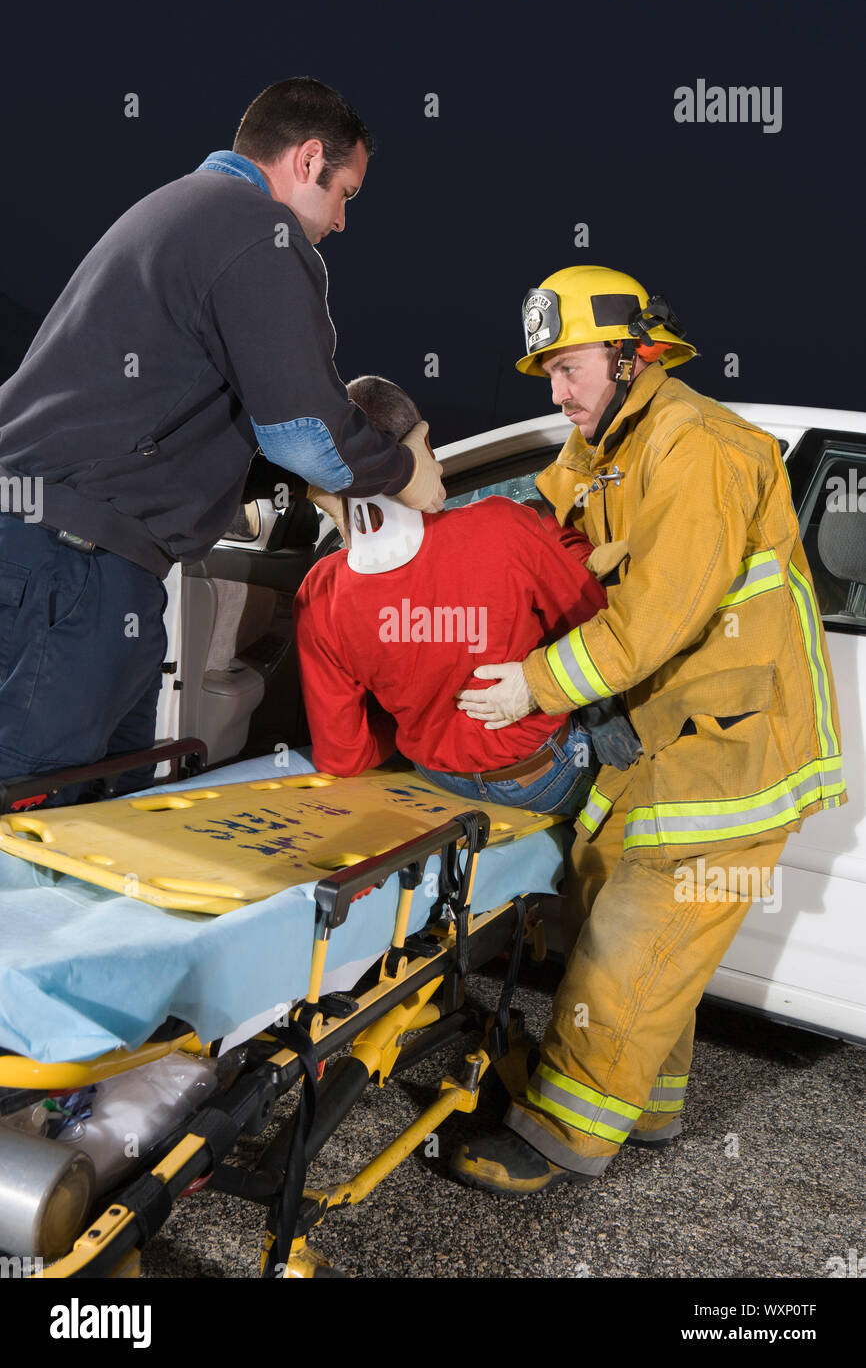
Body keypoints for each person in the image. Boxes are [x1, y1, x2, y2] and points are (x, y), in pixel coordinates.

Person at [451, 265, 846, 1192]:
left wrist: (534, 686)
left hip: (730, 760)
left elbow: (657, 616)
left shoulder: (698, 446)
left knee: (633, 943)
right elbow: (530, 528)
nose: (557, 391)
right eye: (545, 372)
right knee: (612, 921)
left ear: (633, 353)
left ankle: (559, 1138)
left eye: (569, 366)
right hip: (664, 743)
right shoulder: (607, 448)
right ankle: (651, 1111)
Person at [0, 77, 443, 793]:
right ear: (306, 162)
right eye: (344, 194)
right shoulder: (256, 232)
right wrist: (401, 471)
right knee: (38, 826)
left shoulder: (180, 210)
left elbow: (186, 410)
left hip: (50, 550)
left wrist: (293, 482)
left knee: (102, 814)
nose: (340, 220)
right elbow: (305, 431)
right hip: (72, 565)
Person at [293, 375, 638, 817]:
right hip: (542, 779)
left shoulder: (320, 590)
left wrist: (412, 728)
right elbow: (601, 623)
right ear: (424, 449)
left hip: (435, 776)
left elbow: (342, 756)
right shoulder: (503, 526)